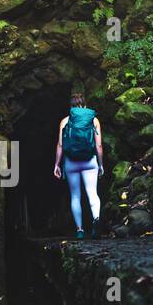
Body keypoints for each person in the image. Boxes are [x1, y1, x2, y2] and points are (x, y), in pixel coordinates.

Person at [53, 91, 103, 239]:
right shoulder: (94, 120)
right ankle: (96, 220)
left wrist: (57, 164)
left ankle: (80, 230)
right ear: (85, 104)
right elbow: (99, 145)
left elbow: (61, 145)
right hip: (90, 161)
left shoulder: (65, 121)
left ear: (71, 106)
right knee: (92, 193)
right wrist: (101, 164)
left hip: (71, 163)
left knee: (75, 196)